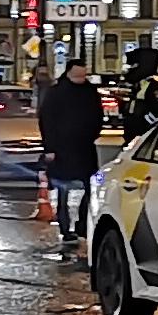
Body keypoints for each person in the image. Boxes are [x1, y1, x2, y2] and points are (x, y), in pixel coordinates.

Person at [38, 57, 106, 259]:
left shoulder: (89, 92)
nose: (80, 78)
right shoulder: (56, 93)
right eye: (77, 75)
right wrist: (50, 147)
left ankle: (83, 225)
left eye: (83, 75)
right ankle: (66, 229)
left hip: (84, 148)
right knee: (62, 190)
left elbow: (98, 115)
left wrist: (93, 133)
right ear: (68, 72)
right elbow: (47, 121)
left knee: (89, 186)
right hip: (62, 149)